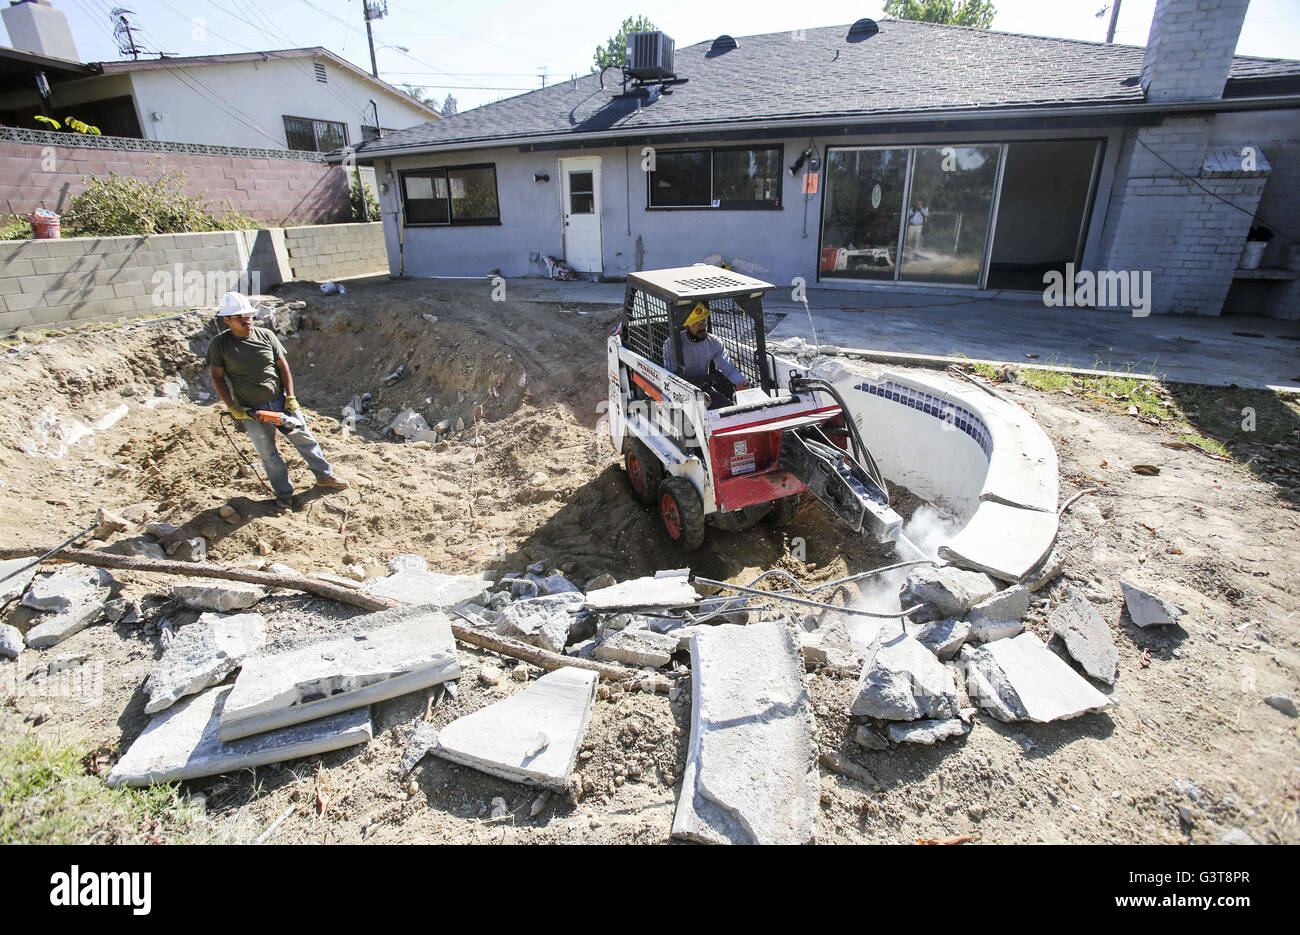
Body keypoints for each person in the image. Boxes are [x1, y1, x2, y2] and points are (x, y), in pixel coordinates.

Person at [207, 292, 348, 509]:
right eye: (240, 318)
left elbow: (283, 366)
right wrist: (233, 407)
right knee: (268, 454)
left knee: (305, 440)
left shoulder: (266, 336)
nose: (246, 321)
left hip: (279, 402)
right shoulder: (220, 345)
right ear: (227, 320)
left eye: (249, 316)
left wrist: (290, 397)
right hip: (251, 409)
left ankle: (324, 476)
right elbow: (217, 377)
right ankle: (283, 494)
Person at [662, 301, 750, 407]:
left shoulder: (714, 343)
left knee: (730, 408)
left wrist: (741, 381)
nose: (702, 326)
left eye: (703, 321)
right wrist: (694, 392)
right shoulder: (672, 344)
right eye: (696, 323)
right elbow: (673, 377)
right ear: (686, 327)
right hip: (679, 391)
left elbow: (729, 370)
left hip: (703, 388)